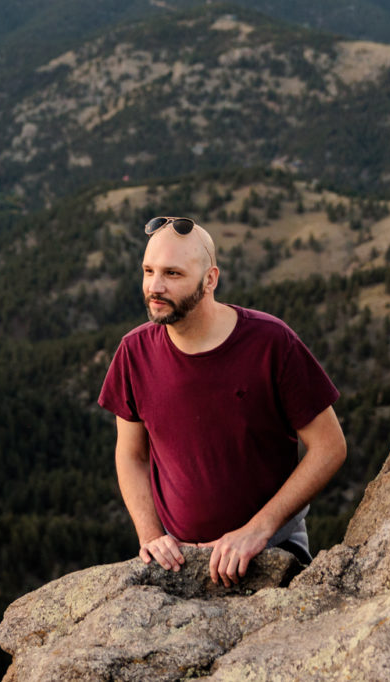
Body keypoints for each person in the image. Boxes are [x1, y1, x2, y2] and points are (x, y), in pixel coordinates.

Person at [97, 215, 346, 588]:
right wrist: (150, 535)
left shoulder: (271, 343)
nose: (155, 286)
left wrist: (256, 531)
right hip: (180, 559)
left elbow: (330, 447)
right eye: (148, 271)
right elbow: (131, 455)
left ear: (210, 279)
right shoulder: (134, 352)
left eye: (173, 274)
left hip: (270, 551)